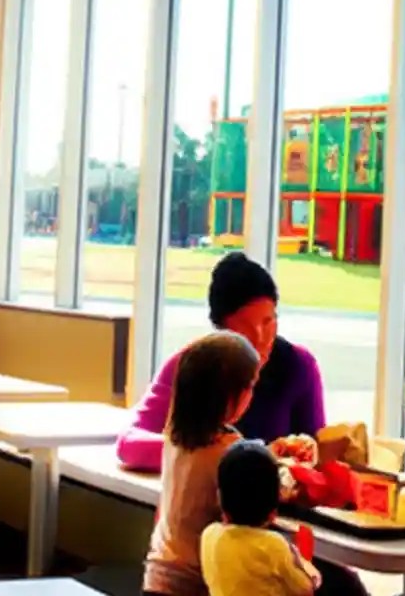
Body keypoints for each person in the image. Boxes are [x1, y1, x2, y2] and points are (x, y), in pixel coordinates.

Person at [118, 252, 326, 473]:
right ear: (220, 327)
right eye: (245, 327)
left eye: (268, 322)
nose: (260, 338)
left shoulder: (299, 365)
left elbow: (318, 451)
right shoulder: (192, 365)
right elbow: (129, 443)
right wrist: (218, 454)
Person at [144, 330, 260, 596]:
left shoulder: (175, 435)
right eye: (250, 386)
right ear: (230, 395)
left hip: (157, 575)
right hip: (196, 584)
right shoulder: (228, 451)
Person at [201, 440, 322, 596]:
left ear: (219, 497)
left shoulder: (209, 535)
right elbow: (305, 589)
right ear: (274, 507)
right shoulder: (273, 545)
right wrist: (300, 561)